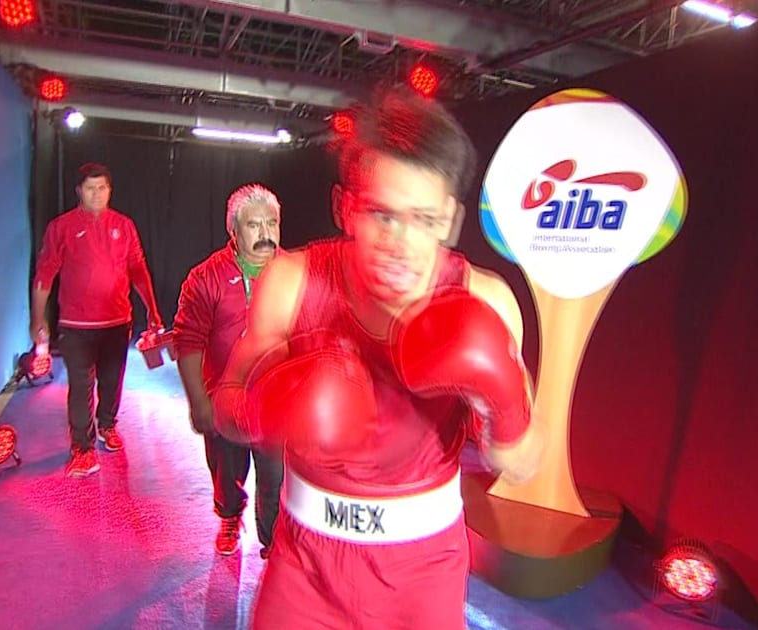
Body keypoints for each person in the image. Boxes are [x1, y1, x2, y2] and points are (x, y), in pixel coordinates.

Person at [210, 88, 544, 629]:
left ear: (451, 221)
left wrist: (502, 403)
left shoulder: (485, 299)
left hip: (424, 572)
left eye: (423, 218)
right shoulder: (292, 282)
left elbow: (522, 463)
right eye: (381, 215)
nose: (401, 242)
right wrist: (265, 408)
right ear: (346, 208)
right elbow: (224, 403)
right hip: (306, 567)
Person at [171, 183, 286, 558]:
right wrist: (198, 402)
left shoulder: (293, 273)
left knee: (277, 480)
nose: (266, 232)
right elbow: (188, 342)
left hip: (277, 407)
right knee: (226, 476)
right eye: (254, 225)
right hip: (225, 404)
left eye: (272, 222)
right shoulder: (205, 278)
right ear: (233, 232)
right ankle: (228, 516)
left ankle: (272, 542)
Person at [32, 162, 163, 478]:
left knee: (111, 380)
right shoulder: (61, 227)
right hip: (76, 326)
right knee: (80, 387)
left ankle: (107, 425)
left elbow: (138, 270)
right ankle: (82, 448)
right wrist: (39, 318)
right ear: (79, 190)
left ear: (110, 190)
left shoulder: (124, 225)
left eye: (102, 188)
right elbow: (45, 274)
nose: (97, 194)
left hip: (117, 321)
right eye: (91, 188)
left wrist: (153, 310)